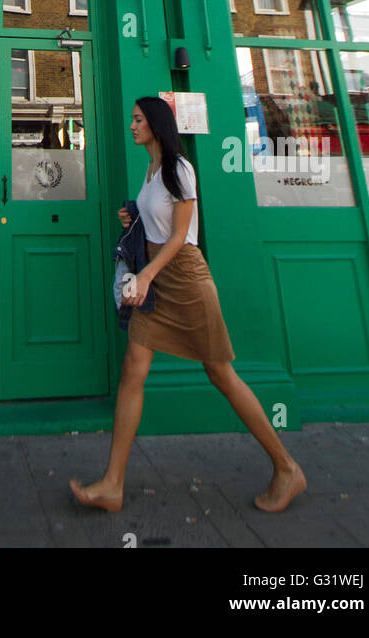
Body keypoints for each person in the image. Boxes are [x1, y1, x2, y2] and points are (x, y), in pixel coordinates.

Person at [70, 95, 307, 514]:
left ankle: (287, 467)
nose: (131, 126)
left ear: (156, 124)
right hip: (159, 283)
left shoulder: (180, 168)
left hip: (185, 279)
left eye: (138, 119)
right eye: (131, 119)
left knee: (221, 374)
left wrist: (144, 275)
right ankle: (112, 483)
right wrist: (134, 217)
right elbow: (157, 222)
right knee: (133, 369)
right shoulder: (150, 170)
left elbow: (180, 236)